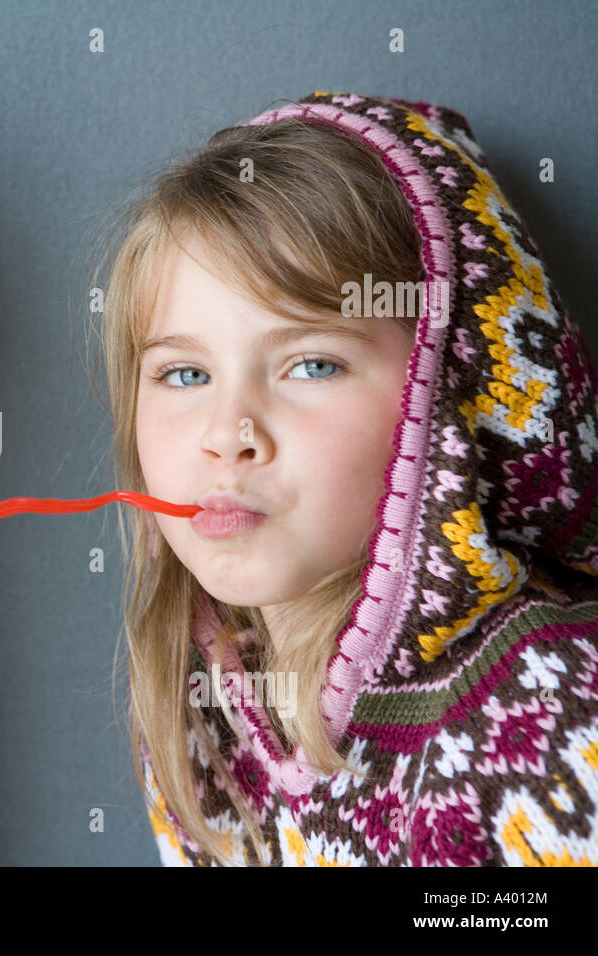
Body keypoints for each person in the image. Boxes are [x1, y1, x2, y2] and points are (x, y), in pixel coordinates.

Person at [96, 91, 598, 865]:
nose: (228, 438)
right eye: (185, 373)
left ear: (445, 394)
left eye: (313, 364)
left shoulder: (558, 719)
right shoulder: (199, 709)